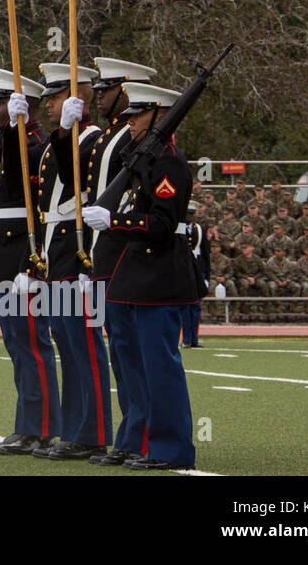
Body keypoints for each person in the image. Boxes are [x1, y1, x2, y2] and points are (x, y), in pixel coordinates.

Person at [82, 82, 198, 471]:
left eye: (138, 116)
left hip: (160, 276)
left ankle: (170, 449)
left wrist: (114, 220)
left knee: (159, 367)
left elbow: (164, 225)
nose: (130, 124)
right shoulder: (144, 159)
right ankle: (135, 439)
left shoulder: (168, 162)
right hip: (134, 273)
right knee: (130, 365)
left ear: (160, 116)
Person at [0, 69, 59, 458]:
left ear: (25, 104)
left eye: (0, 100)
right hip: (2, 256)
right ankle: (29, 426)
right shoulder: (15, 142)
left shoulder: (37, 145)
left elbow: (41, 211)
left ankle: (37, 429)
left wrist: (30, 263)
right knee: (17, 346)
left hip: (19, 259)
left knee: (30, 346)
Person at [32, 62, 111, 460]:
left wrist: (86, 266)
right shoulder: (60, 138)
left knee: (84, 347)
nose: (48, 105)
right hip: (54, 251)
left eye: (56, 97)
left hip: (76, 252)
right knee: (67, 342)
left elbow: (82, 186)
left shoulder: (94, 139)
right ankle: (74, 427)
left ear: (76, 97)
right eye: (47, 98)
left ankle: (92, 431)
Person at [82, 55, 157, 466]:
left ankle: (141, 435)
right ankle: (131, 435)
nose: (101, 97)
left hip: (125, 252)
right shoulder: (113, 135)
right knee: (121, 352)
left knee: (132, 351)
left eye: (108, 90)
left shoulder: (138, 138)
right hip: (106, 251)